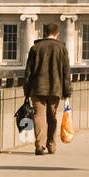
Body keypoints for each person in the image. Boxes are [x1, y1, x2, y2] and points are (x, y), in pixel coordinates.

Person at [23, 22, 71, 156]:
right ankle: (51, 144)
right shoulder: (61, 48)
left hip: (37, 88)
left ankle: (39, 145)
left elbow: (28, 72)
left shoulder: (35, 48)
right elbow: (66, 72)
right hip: (55, 88)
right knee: (52, 117)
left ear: (45, 32)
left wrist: (26, 90)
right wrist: (67, 91)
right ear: (57, 33)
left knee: (38, 116)